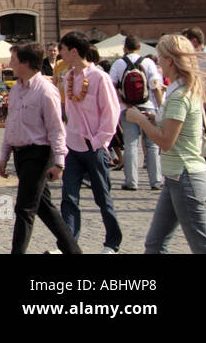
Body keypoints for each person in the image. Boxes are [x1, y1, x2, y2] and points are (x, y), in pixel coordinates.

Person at [125, 35, 206, 253]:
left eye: (161, 57)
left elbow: (166, 141)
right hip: (175, 177)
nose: (158, 62)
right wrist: (154, 119)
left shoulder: (180, 95)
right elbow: (173, 129)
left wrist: (141, 121)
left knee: (201, 246)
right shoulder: (181, 90)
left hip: (185, 176)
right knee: (155, 244)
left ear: (170, 60)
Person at [0, 44, 80, 254]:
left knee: (24, 208)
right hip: (20, 154)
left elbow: (56, 128)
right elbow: (11, 124)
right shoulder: (16, 90)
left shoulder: (45, 90)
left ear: (25, 63)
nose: (10, 64)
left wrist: (59, 162)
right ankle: (73, 250)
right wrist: (4, 156)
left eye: (14, 60)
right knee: (43, 206)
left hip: (39, 154)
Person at [56, 32, 123, 253]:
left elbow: (111, 112)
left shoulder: (99, 77)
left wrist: (98, 141)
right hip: (72, 146)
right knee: (68, 197)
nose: (60, 54)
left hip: (94, 147)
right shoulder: (68, 76)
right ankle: (69, 244)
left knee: (102, 197)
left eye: (62, 50)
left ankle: (112, 242)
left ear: (74, 51)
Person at [111, 35, 164, 191]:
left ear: (125, 48)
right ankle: (156, 181)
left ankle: (131, 182)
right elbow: (155, 86)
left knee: (131, 145)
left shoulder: (118, 63)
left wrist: (122, 103)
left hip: (127, 109)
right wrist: (160, 108)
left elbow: (111, 87)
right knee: (152, 145)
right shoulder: (148, 63)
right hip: (148, 106)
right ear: (139, 47)